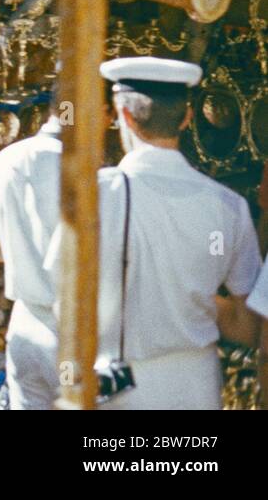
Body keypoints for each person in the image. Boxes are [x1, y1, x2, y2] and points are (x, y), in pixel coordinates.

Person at [45, 57, 261, 410]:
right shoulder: (228, 205)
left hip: (119, 386)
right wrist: (192, 296)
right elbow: (247, 323)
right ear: (188, 117)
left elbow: (63, 297)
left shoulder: (96, 196)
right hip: (198, 384)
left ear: (123, 116)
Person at [0, 103, 63, 409]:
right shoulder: (85, 167)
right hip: (71, 328)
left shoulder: (5, 159)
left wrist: (28, 256)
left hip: (24, 324)